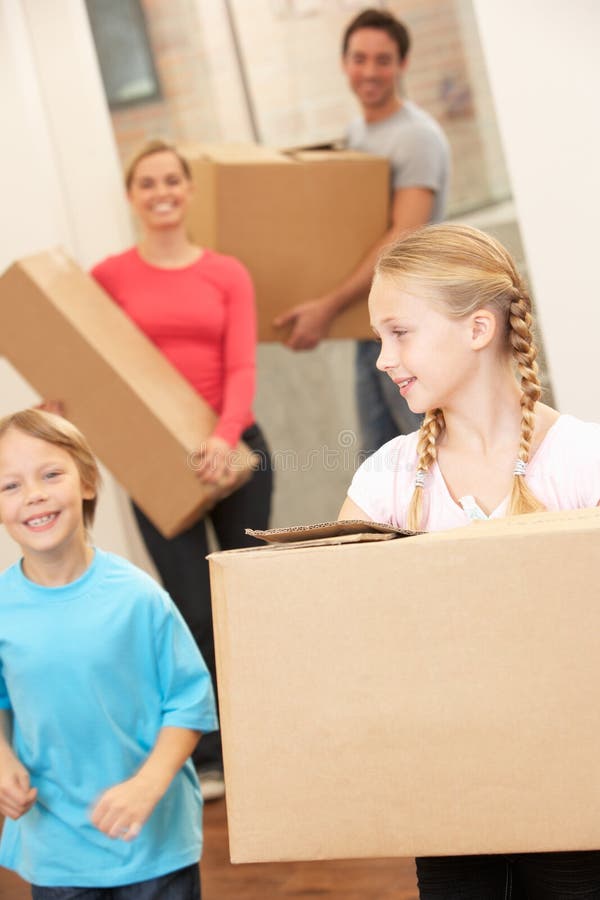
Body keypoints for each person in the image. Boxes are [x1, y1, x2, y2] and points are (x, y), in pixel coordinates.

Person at [339, 223, 600, 898]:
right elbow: (333, 628)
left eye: (399, 333)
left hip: (574, 793)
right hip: (444, 792)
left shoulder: (582, 464)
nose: (382, 359)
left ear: (479, 328)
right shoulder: (387, 481)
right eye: (378, 338)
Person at [91, 140, 273, 801]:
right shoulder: (108, 277)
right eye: (147, 182)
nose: (162, 191)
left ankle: (267, 735)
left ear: (189, 190)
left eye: (173, 180)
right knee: (190, 610)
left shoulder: (226, 272)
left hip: (236, 451)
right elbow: (89, 360)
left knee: (241, 601)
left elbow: (243, 365)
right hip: (158, 466)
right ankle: (215, 754)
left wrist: (225, 437)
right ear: (131, 195)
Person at [0, 408, 218, 899]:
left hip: (152, 844)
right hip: (55, 846)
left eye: (50, 474)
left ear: (88, 482)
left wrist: (148, 785)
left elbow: (189, 703)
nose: (32, 494)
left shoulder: (138, 598)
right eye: (9, 486)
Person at [275, 8, 450, 456]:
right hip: (371, 324)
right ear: (344, 62)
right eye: (359, 58)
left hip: (414, 324)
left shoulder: (415, 138)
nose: (369, 71)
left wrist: (327, 306)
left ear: (402, 65)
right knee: (384, 463)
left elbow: (402, 239)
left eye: (383, 60)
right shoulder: (357, 134)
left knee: (430, 454)